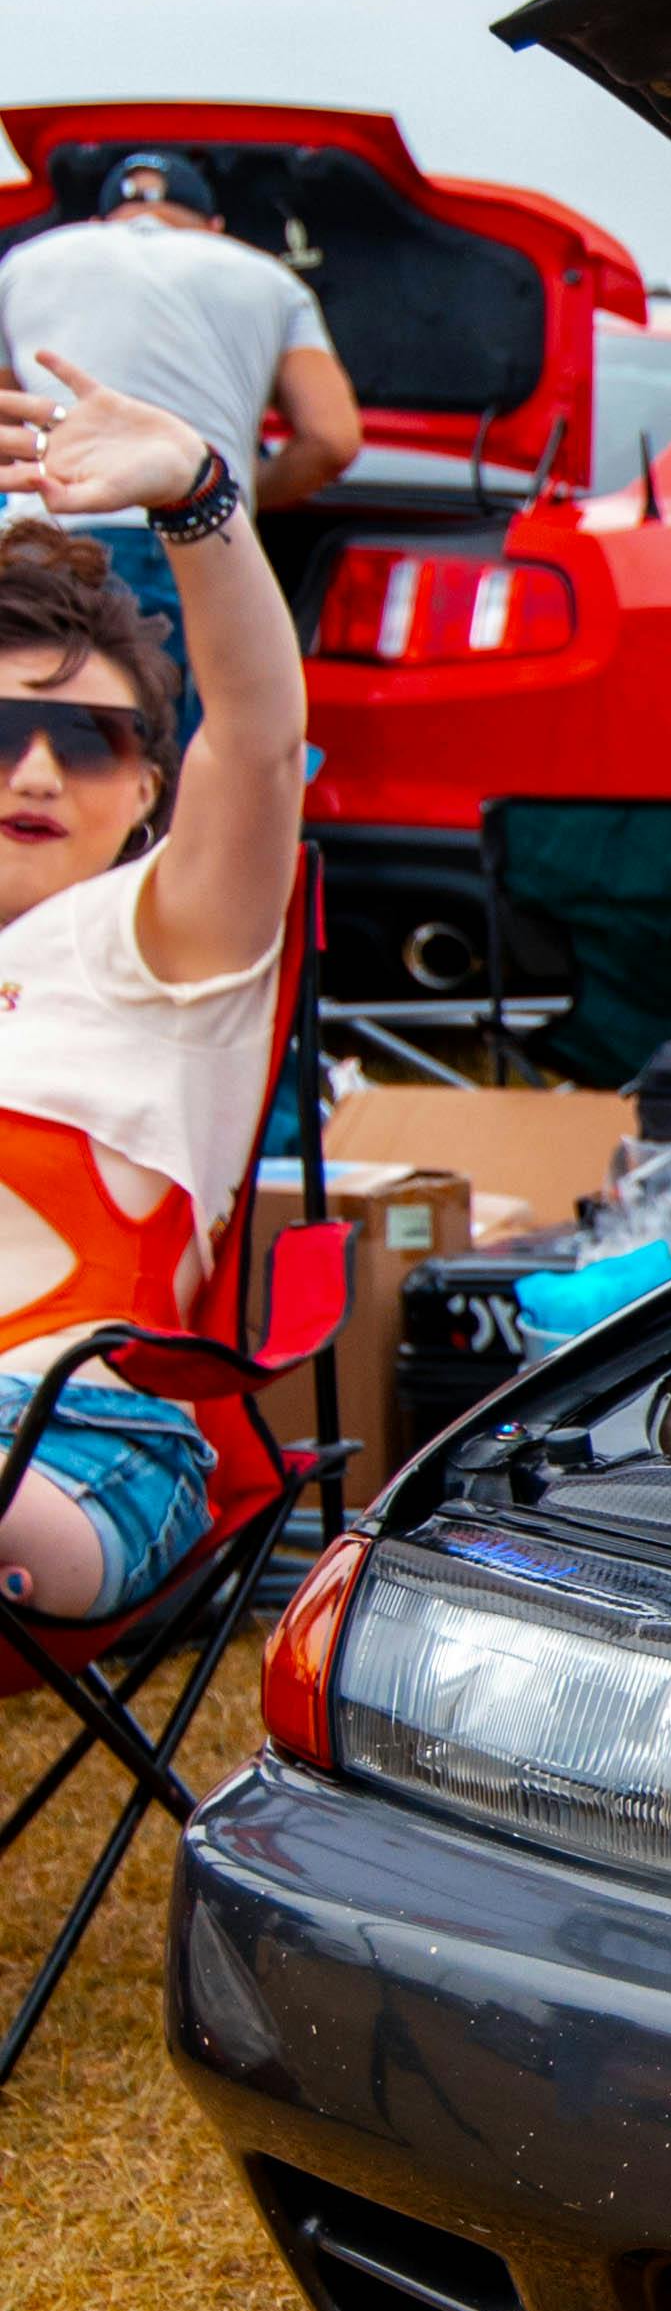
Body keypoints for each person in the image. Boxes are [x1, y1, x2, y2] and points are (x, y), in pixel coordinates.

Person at [0, 342, 313, 1626]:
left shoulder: (159, 934)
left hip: (70, 1438)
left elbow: (258, 732)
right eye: (0, 733)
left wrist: (196, 497)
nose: (33, 774)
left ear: (146, 790)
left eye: (88, 740)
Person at [0, 145, 360, 727]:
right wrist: (231, 489)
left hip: (41, 538)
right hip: (190, 543)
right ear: (214, 227)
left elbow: (7, 420)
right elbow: (332, 439)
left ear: (100, 223)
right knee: (161, 763)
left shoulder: (28, 260)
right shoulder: (269, 277)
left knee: (29, 750)